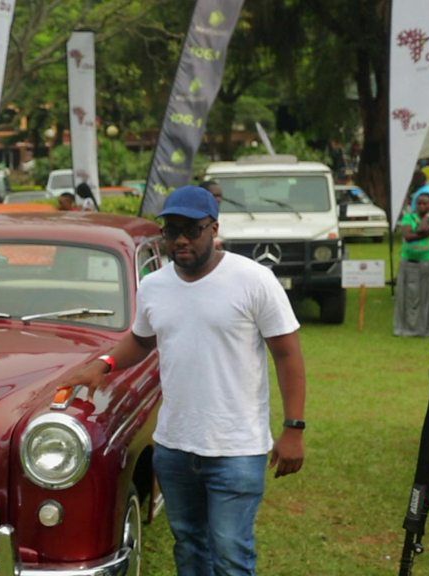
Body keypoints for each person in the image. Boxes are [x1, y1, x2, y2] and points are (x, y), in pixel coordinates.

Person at [65, 185, 306, 576]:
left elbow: (287, 354)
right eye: (171, 230)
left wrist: (293, 428)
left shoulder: (254, 280)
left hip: (236, 448)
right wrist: (105, 364)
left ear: (213, 228)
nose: (179, 240)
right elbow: (142, 340)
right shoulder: (156, 285)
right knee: (190, 547)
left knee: (230, 553)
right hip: (175, 448)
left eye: (191, 230)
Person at [395, 185, 429, 337]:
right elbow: (408, 236)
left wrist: (426, 220)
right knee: (409, 297)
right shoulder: (408, 217)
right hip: (409, 262)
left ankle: (427, 328)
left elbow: (418, 231)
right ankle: (407, 328)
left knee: (428, 297)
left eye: (425, 203)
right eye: (419, 203)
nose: (421, 206)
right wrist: (425, 224)